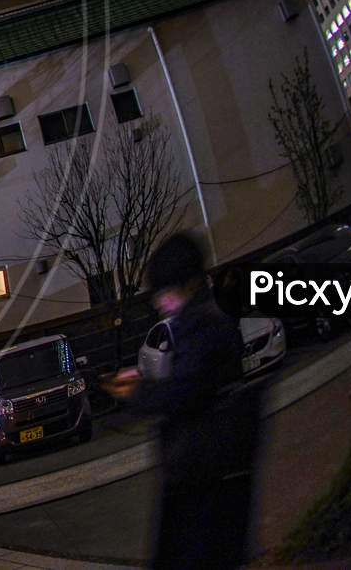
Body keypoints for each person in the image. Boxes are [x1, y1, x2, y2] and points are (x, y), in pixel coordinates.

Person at [103, 232, 261, 568]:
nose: (160, 302)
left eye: (165, 291)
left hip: (201, 475)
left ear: (186, 285)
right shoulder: (213, 317)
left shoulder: (200, 324)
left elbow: (185, 392)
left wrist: (137, 392)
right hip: (214, 473)